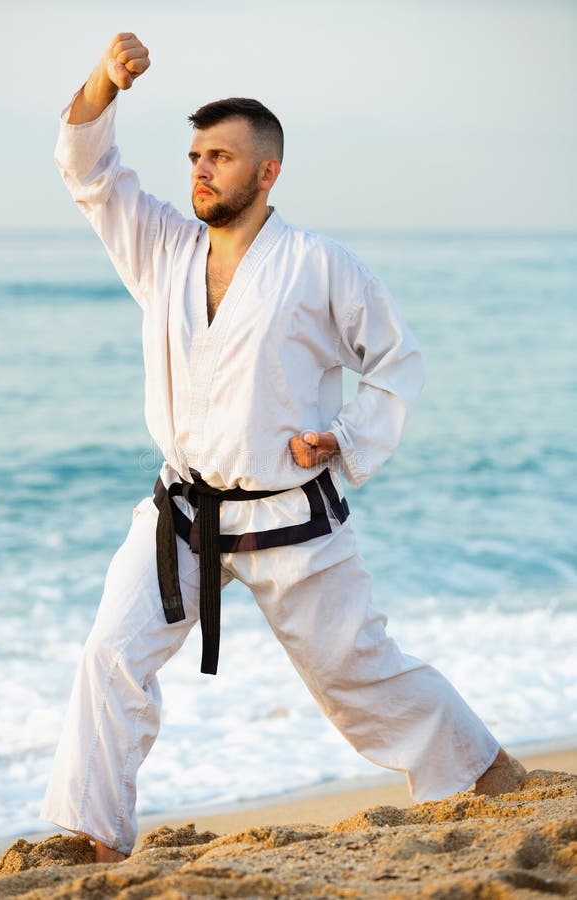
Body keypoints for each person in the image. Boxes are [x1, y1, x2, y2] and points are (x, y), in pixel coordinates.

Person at [41, 32, 525, 863]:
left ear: (266, 173)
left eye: (221, 157)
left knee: (359, 678)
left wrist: (343, 437)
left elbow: (398, 364)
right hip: (181, 514)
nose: (200, 170)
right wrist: (104, 79)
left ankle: (489, 776)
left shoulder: (319, 265)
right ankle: (97, 839)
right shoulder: (161, 246)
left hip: (290, 518)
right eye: (194, 154)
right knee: (111, 657)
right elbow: (88, 170)